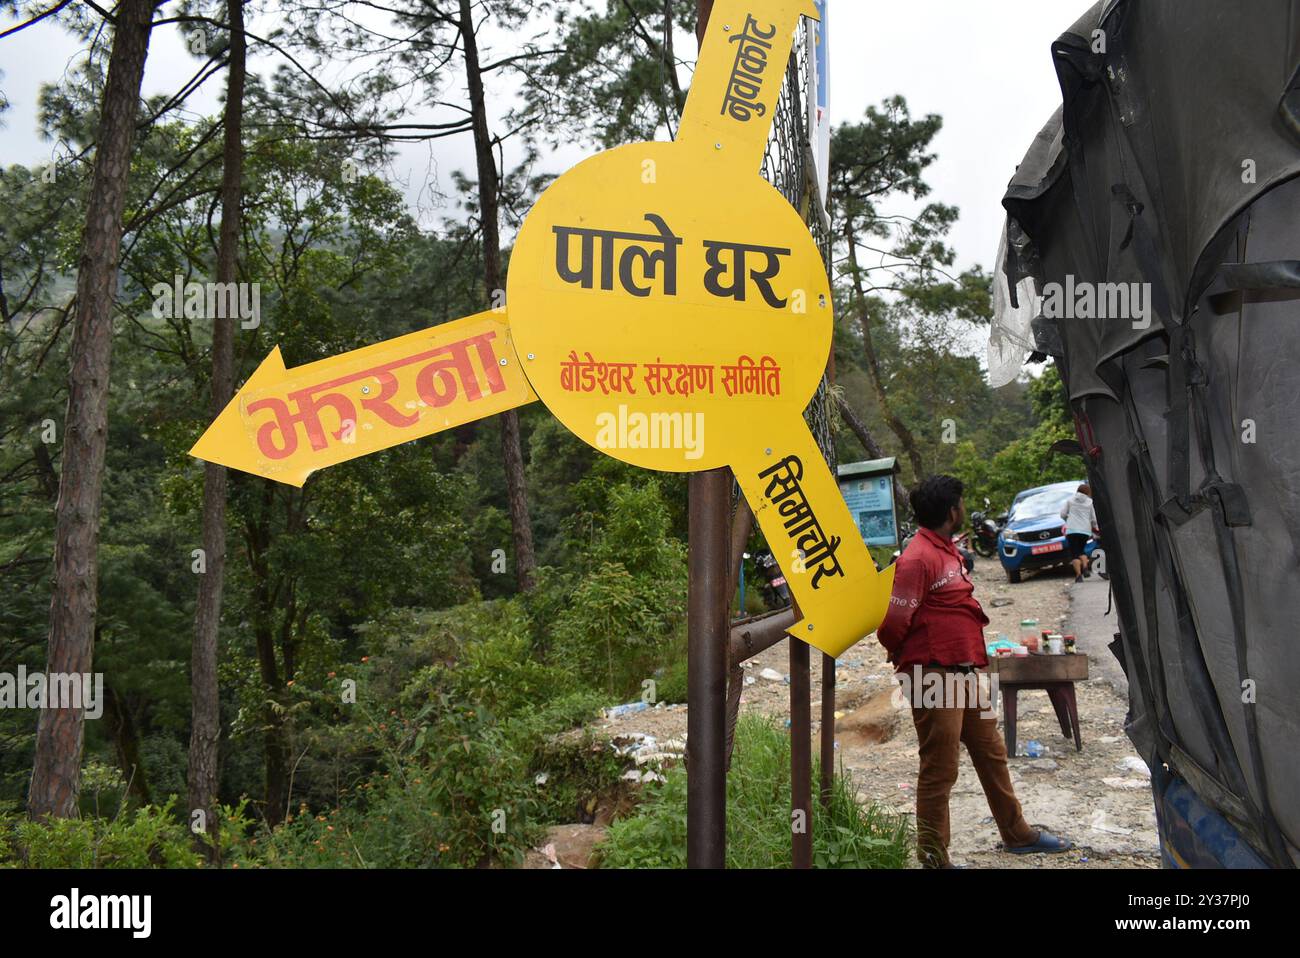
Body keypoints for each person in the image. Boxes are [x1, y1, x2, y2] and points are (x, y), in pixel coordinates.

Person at [878, 475, 1073, 868]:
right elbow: (894, 622)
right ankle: (934, 859)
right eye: (961, 504)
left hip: (964, 673)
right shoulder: (917, 558)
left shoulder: (946, 549)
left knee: (991, 751)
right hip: (934, 676)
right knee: (940, 768)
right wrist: (909, 660)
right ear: (952, 511)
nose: (963, 509)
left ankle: (1017, 834)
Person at [1060, 483, 1100, 583]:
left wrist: (1068, 520)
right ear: (1087, 492)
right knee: (1081, 550)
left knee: (1075, 554)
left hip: (1072, 530)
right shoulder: (1090, 502)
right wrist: (1095, 527)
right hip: (1085, 530)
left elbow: (1063, 514)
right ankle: (1085, 568)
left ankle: (1078, 576)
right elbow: (1093, 518)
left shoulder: (1070, 500)